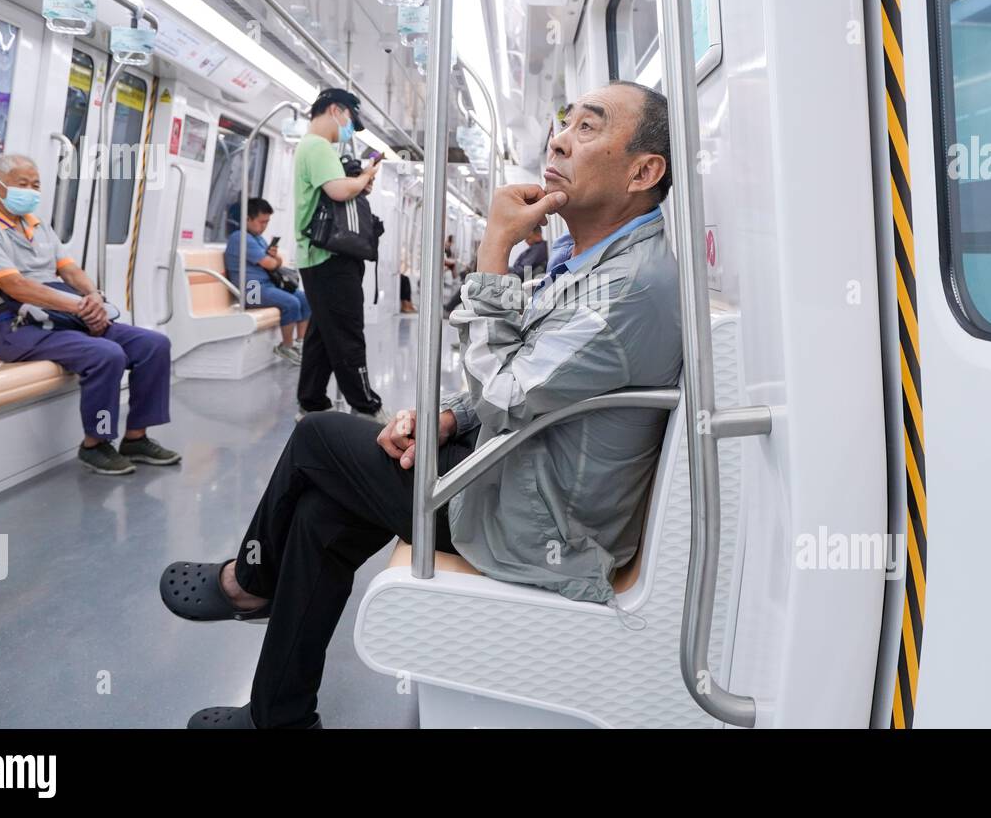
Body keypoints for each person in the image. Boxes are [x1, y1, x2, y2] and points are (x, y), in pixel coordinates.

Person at [160, 81, 681, 728]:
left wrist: (495, 246)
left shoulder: (629, 290)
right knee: (325, 514)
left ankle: (250, 583)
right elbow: (533, 377)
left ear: (643, 171)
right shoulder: (592, 259)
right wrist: (449, 417)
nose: (558, 139)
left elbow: (506, 386)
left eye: (587, 128)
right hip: (517, 467)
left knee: (319, 439)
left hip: (540, 528)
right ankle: (279, 715)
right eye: (563, 123)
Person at [0, 154, 180, 475]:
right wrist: (79, 307)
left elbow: (70, 271)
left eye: (36, 185)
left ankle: (136, 438)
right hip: (13, 326)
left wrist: (94, 299)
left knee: (153, 345)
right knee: (107, 353)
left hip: (63, 316)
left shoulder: (39, 226)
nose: (31, 191)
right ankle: (95, 443)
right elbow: (14, 285)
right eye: (23, 184)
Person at [291, 87, 387, 423]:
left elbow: (335, 191)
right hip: (328, 257)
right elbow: (337, 190)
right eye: (349, 120)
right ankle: (366, 408)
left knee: (321, 333)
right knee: (347, 331)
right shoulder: (317, 146)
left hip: (317, 256)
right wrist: (363, 179)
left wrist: (357, 182)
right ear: (335, 110)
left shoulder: (313, 148)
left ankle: (312, 402)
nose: (348, 128)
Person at [223, 197, 310, 365]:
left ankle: (301, 344)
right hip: (251, 290)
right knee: (291, 302)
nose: (264, 227)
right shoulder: (240, 238)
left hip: (266, 286)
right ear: (247, 219)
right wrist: (273, 260)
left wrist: (274, 259)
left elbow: (276, 262)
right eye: (261, 222)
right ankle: (286, 346)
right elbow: (271, 264)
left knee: (305, 299)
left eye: (267, 222)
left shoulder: (258, 239)